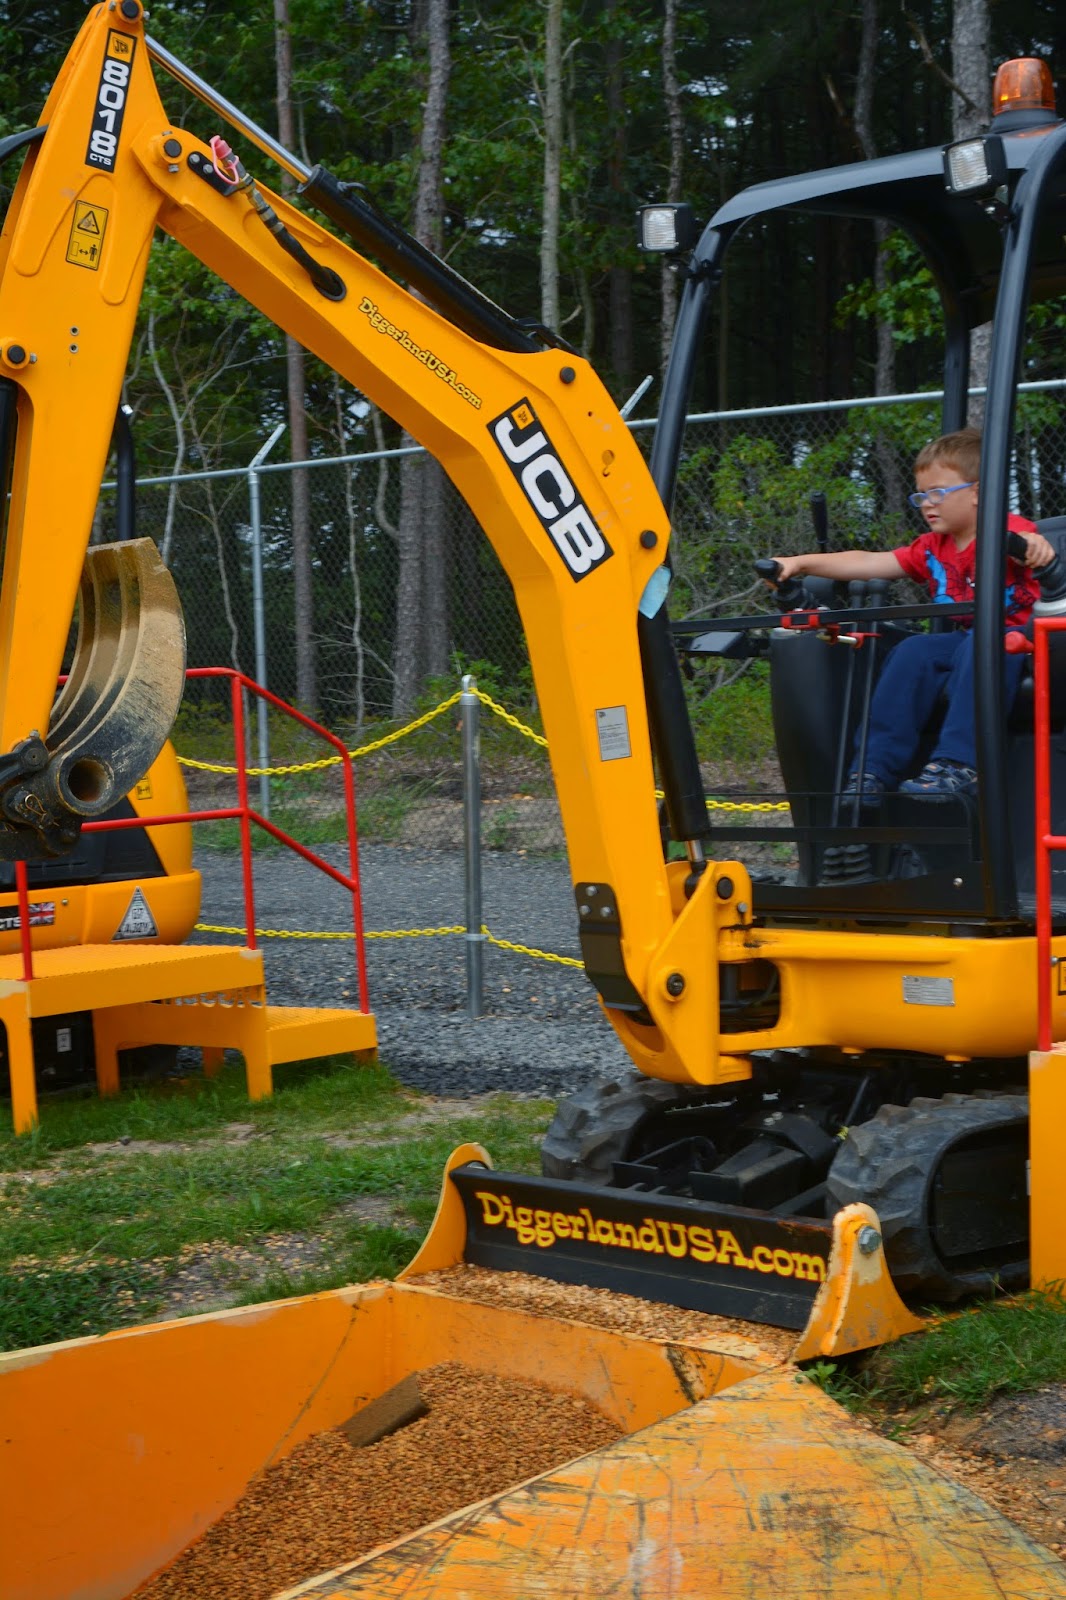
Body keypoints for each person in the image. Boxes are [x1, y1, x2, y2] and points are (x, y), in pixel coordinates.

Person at [767, 428, 1056, 797]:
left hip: (1026, 643)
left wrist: (1033, 547)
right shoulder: (933, 546)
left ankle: (961, 764)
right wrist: (800, 562)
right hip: (970, 639)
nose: (926, 503)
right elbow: (871, 561)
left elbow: (1031, 544)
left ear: (979, 493)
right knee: (912, 652)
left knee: (982, 644)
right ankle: (872, 769)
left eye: (937, 492)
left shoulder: (1006, 530)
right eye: (921, 495)